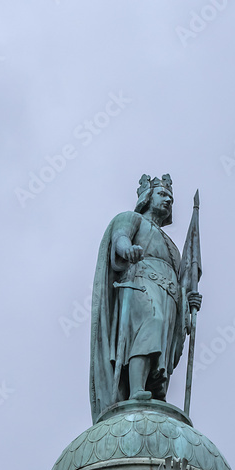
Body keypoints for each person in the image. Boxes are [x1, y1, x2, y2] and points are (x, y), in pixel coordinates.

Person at [89, 174, 202, 421]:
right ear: (147, 198)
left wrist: (188, 300)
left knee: (164, 342)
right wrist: (126, 249)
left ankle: (154, 390)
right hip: (139, 283)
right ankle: (136, 388)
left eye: (171, 199)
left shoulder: (172, 246)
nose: (168, 201)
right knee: (152, 323)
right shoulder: (132, 219)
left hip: (169, 295)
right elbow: (120, 237)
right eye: (162, 195)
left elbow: (183, 280)